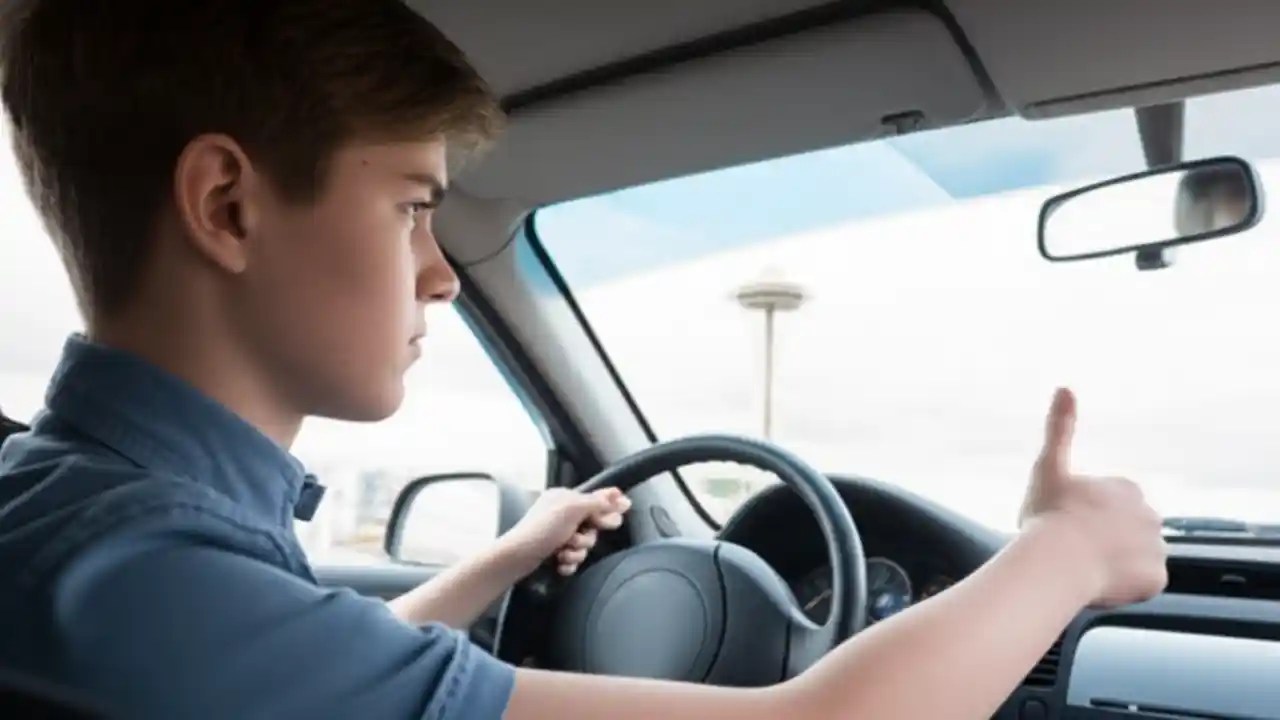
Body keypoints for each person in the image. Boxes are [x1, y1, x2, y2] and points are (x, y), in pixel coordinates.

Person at [0, 2, 1167, 719]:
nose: (440, 273)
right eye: (410, 207)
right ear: (227, 205)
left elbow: (309, 670)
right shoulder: (139, 586)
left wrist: (502, 561)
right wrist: (1065, 552)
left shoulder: (85, 527)